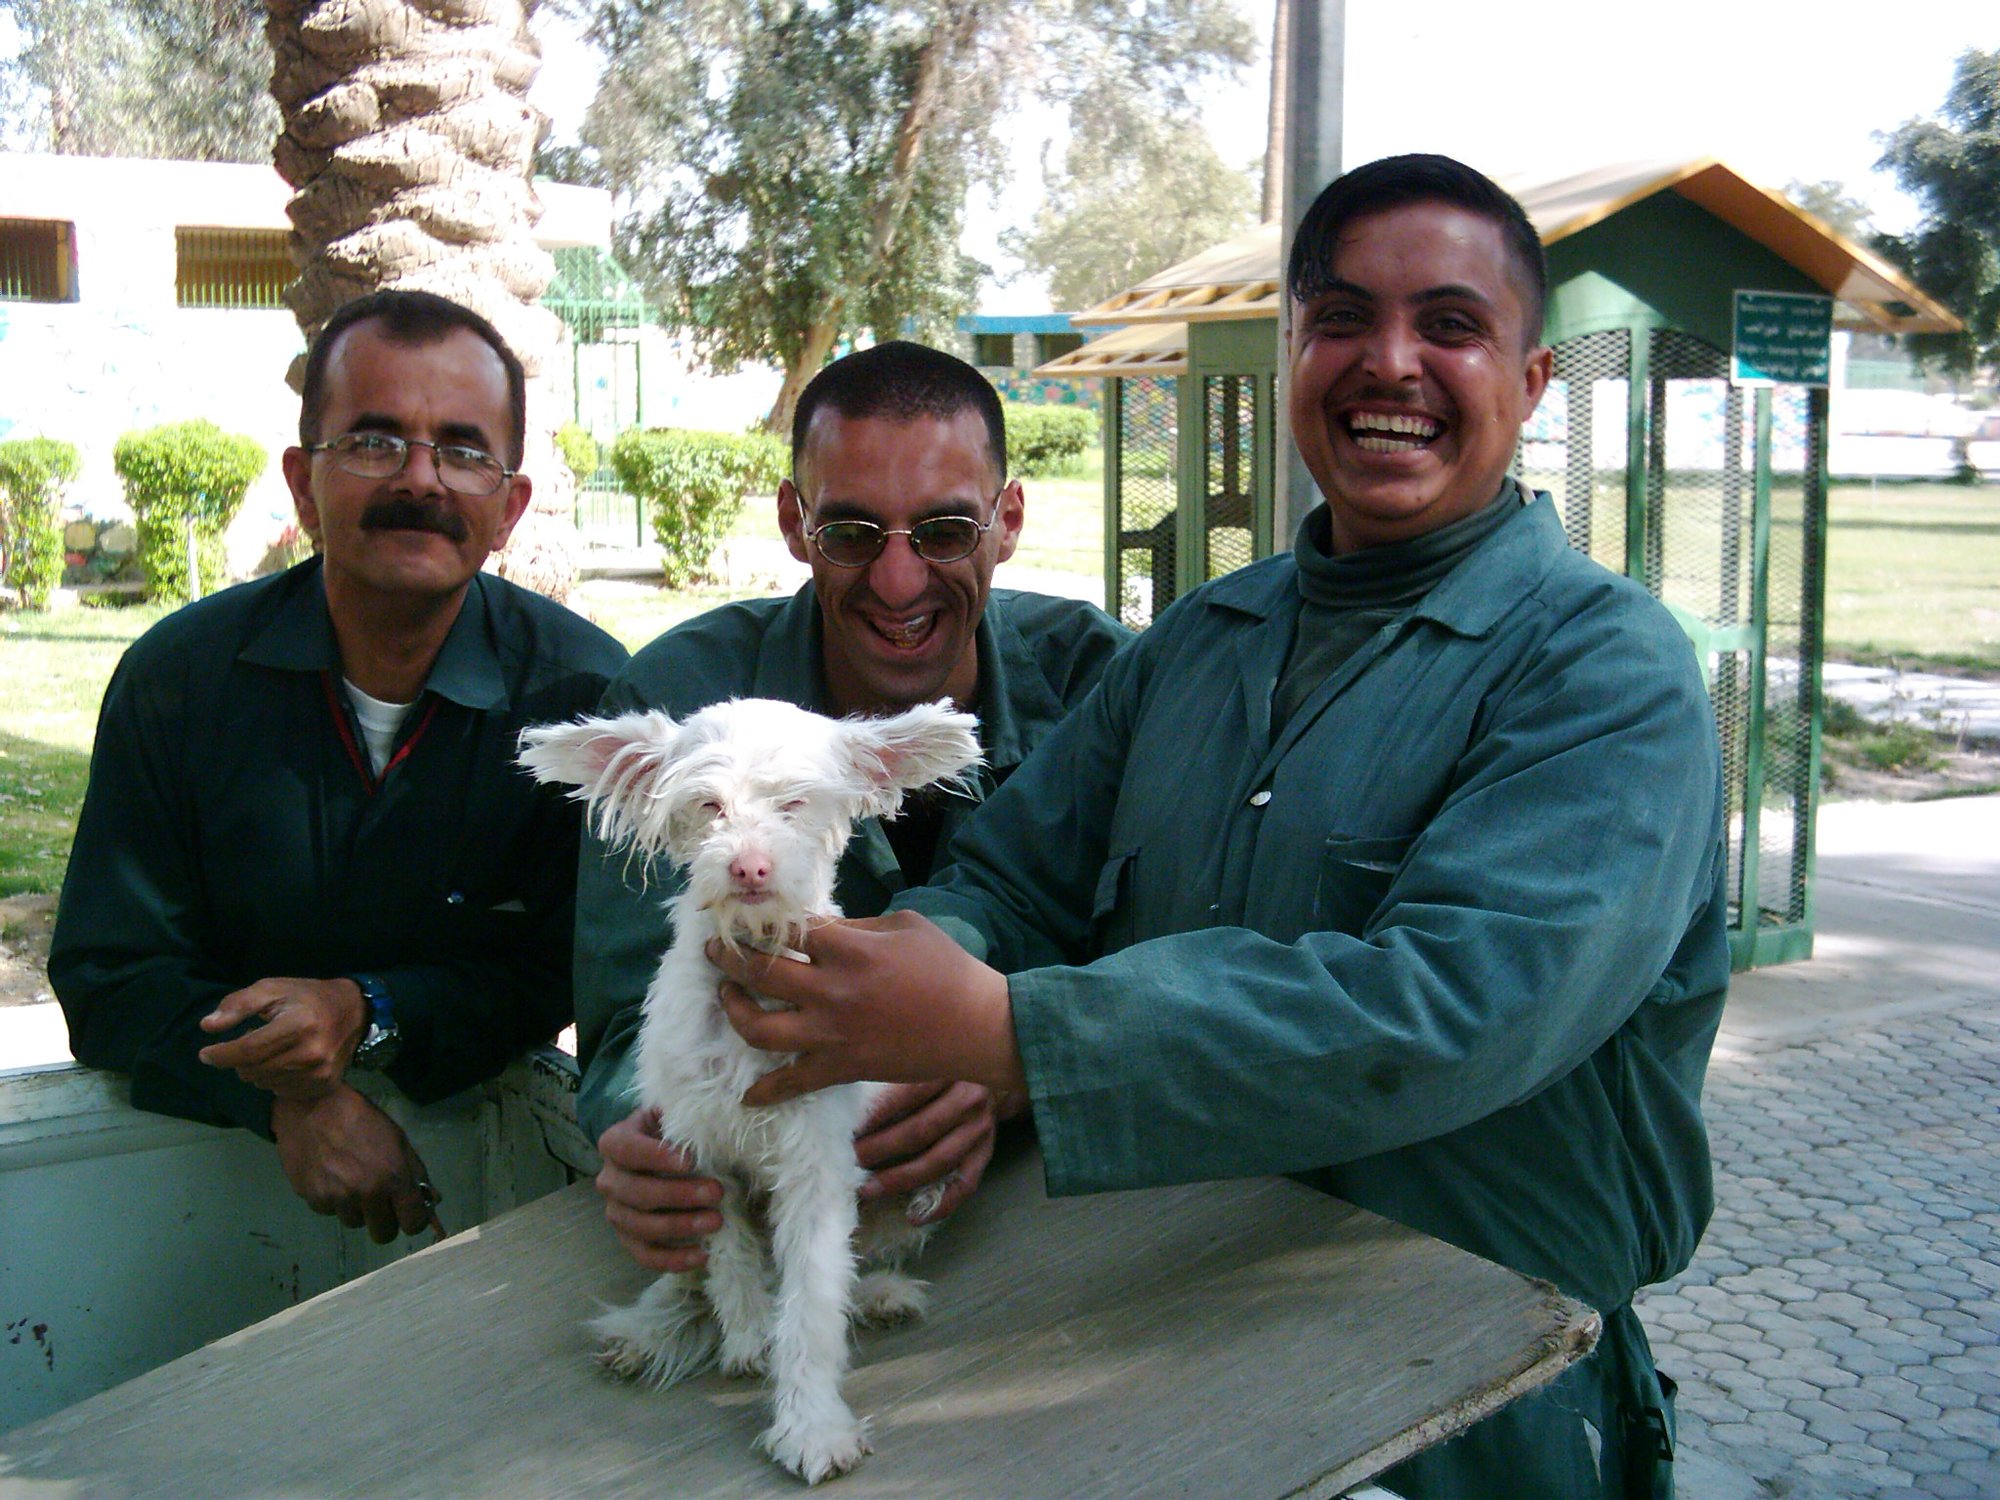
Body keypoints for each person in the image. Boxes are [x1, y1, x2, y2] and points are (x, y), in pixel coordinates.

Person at [704, 157, 1729, 1499]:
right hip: (1161, 1353)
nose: (1392, 364)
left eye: (1452, 325)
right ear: (1297, 351)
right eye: (1345, 319)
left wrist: (1012, 1038)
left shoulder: (1606, 675)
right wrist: (914, 1006)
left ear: (1531, 382)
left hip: (1475, 1388)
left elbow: (1456, 1010)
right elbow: (1018, 880)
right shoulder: (1200, 643)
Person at [50, 289, 629, 1245]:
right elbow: (111, 972)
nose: (420, 479)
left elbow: (571, 968)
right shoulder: (177, 681)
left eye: (464, 449)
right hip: (196, 1204)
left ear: (512, 503)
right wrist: (294, 1102)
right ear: (301, 481)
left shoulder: (586, 699)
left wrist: (369, 1010)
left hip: (482, 1187)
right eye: (371, 441)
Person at [572, 340, 1129, 1274]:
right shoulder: (686, 700)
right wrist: (642, 1136)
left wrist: (1013, 1066)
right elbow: (632, 1016)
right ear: (796, 524)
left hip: (1054, 1218)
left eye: (947, 532)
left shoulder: (1098, 684)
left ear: (1009, 521)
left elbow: (1151, 957)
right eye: (852, 534)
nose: (899, 581)